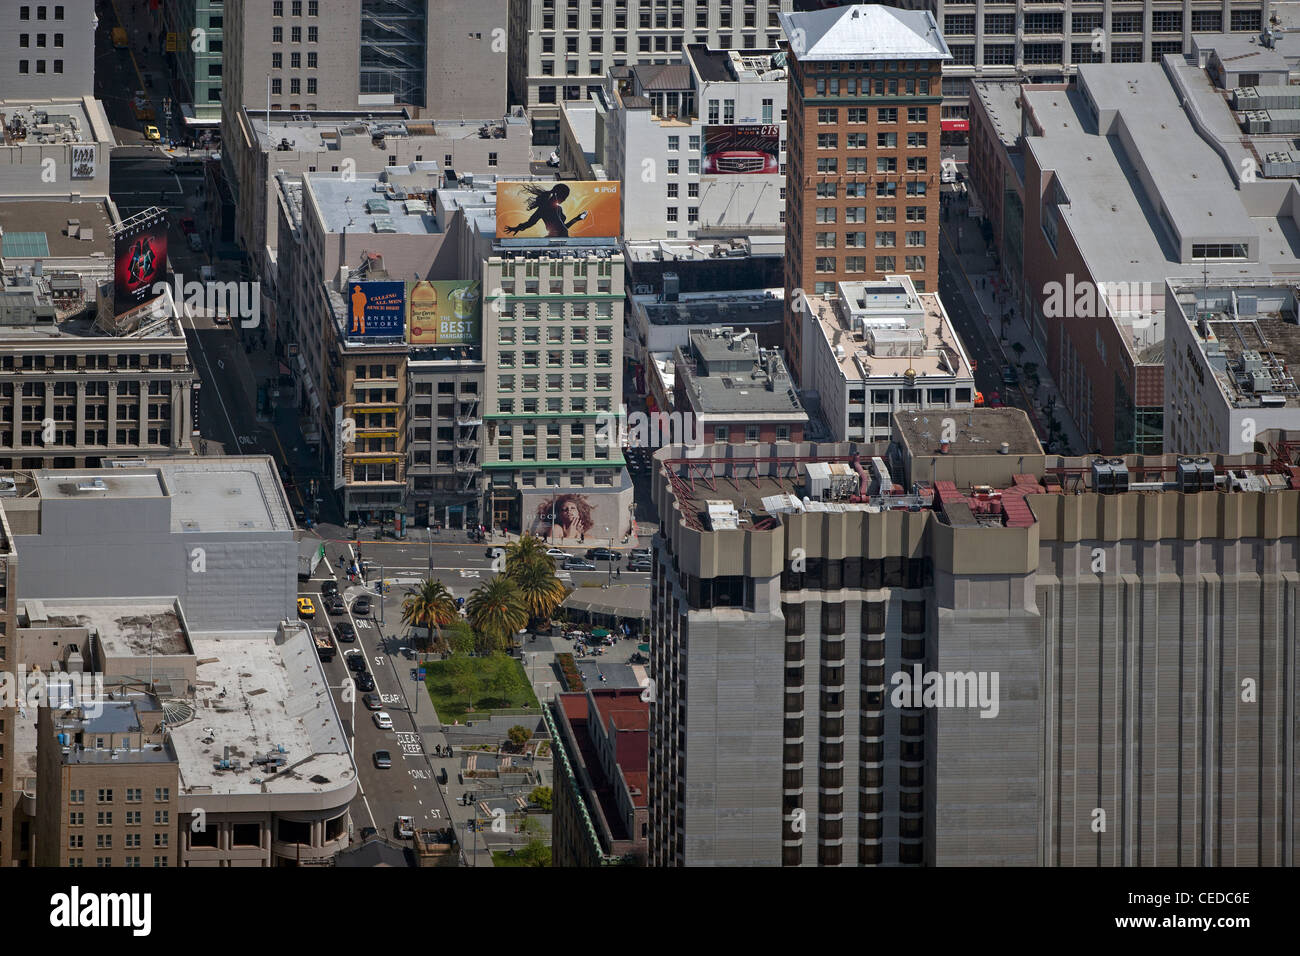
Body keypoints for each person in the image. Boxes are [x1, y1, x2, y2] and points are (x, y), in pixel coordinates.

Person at [502, 183, 589, 237]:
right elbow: (530, 223)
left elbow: (563, 227)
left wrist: (577, 218)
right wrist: (518, 228)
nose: (565, 200)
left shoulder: (558, 208)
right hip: (555, 238)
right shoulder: (545, 208)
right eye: (564, 197)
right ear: (558, 195)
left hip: (561, 238)